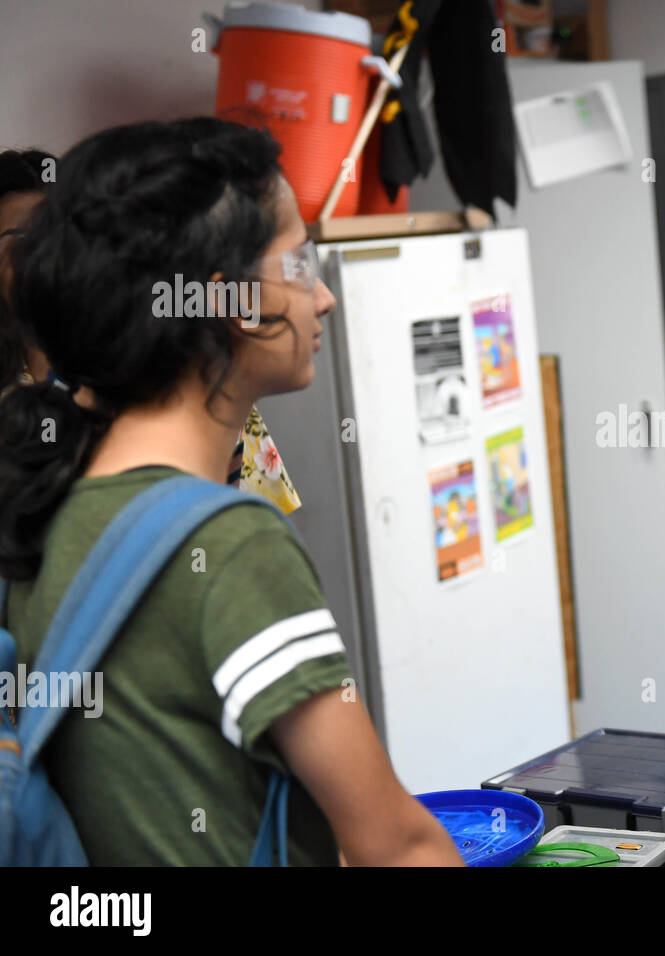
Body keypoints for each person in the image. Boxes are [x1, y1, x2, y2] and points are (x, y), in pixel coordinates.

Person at [0, 118, 464, 865]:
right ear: (231, 305)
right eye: (298, 264)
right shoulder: (227, 545)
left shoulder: (43, 499)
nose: (323, 299)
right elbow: (397, 848)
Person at [0, 148, 302, 512]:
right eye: (22, 242)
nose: (49, 257)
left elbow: (256, 534)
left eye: (63, 237)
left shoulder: (187, 381)